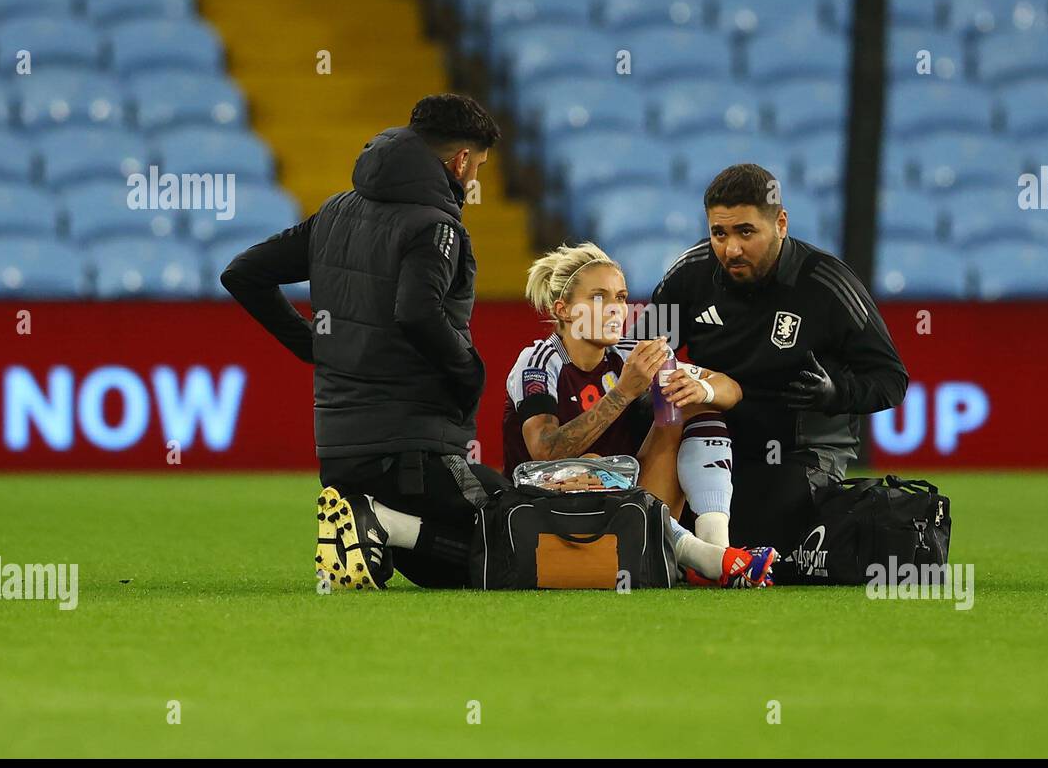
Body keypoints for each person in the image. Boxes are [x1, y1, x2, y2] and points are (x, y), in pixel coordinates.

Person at [220, 93, 505, 591]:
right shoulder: (436, 227)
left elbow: (243, 273)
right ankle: (378, 522)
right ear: (461, 161)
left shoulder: (335, 213)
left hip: (341, 459)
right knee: (519, 527)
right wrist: (469, 372)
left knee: (462, 571)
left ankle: (373, 528)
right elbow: (417, 312)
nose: (475, 178)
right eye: (477, 165)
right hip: (413, 455)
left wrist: (313, 344)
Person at [639, 164, 908, 578]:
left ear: (780, 223)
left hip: (799, 454)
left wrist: (834, 394)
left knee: (757, 528)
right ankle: (698, 554)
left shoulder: (825, 283)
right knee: (644, 497)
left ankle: (697, 554)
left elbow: (892, 380)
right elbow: (641, 359)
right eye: (719, 233)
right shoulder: (690, 275)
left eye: (746, 232)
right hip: (713, 444)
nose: (730, 249)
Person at [501, 241, 776, 588]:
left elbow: (730, 388)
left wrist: (700, 389)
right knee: (589, 463)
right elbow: (545, 449)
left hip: (629, 510)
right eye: (599, 297)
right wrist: (624, 392)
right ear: (565, 310)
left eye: (620, 297)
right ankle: (708, 560)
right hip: (552, 518)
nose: (616, 309)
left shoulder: (629, 354)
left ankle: (715, 547)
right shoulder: (539, 362)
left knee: (692, 403)